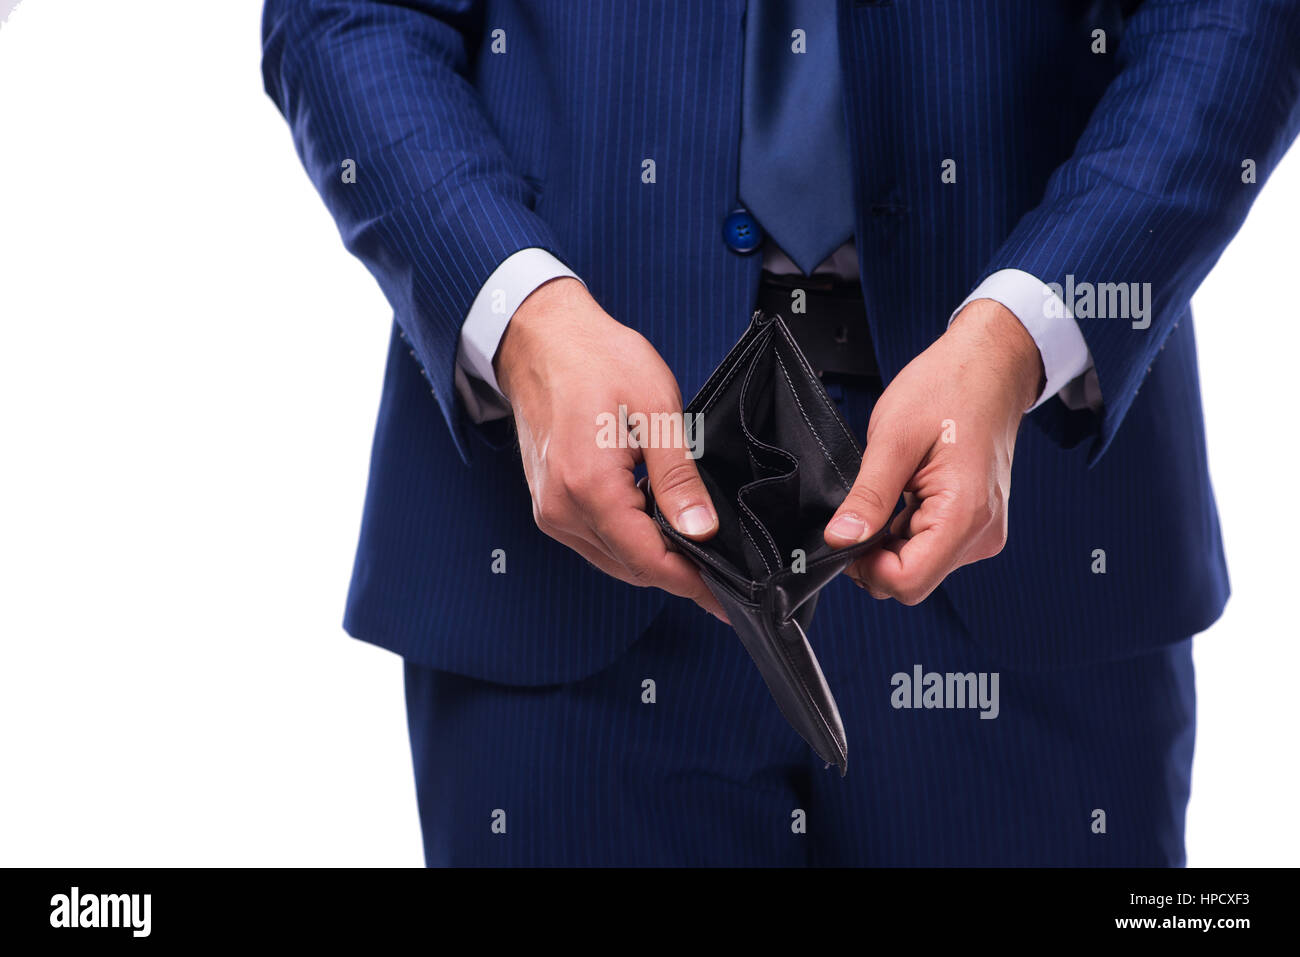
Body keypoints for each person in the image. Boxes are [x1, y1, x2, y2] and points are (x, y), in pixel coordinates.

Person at [261, 0, 1300, 865]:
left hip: (1029, 529)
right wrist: (524, 319)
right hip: (566, 544)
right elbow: (346, 16)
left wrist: (1028, 331)